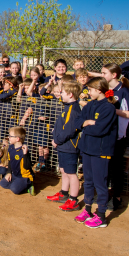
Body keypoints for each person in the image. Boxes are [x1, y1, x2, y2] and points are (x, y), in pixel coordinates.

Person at [73, 77, 118, 228]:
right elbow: (78, 122)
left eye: (90, 90)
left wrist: (87, 125)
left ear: (99, 90)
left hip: (101, 151)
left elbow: (100, 129)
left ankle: (101, 216)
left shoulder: (108, 108)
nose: (88, 92)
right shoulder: (89, 105)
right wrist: (86, 123)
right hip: (87, 148)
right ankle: (87, 210)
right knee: (88, 182)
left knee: (100, 183)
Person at [101, 63, 129, 210]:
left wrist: (112, 112)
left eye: (104, 73)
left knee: (116, 168)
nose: (102, 75)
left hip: (118, 136)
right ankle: (107, 194)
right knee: (107, 167)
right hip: (107, 134)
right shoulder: (109, 91)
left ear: (113, 75)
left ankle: (117, 197)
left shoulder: (124, 91)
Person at [48, 81, 83, 211]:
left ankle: (73, 199)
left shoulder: (73, 110)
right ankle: (64, 193)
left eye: (62, 92)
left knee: (71, 173)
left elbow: (68, 130)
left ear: (70, 94)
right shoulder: (68, 106)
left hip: (69, 146)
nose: (60, 94)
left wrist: (56, 140)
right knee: (63, 170)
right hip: (63, 146)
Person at [0, 126, 34, 195]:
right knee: (3, 183)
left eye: (10, 136)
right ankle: (18, 184)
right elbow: (10, 161)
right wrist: (9, 172)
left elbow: (27, 166)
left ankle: (29, 185)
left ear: (17, 139)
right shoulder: (11, 148)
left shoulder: (23, 150)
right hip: (15, 174)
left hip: (24, 176)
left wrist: (25, 155)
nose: (8, 137)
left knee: (14, 189)